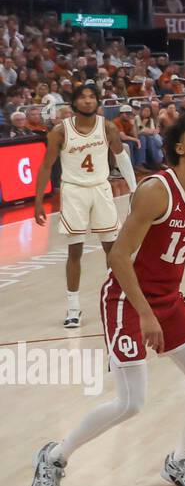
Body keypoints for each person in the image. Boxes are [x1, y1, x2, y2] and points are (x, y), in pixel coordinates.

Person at [31, 111, 185, 486]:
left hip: (170, 299)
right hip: (127, 300)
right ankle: (55, 456)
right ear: (179, 147)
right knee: (131, 402)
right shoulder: (156, 190)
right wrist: (144, 314)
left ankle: (179, 461)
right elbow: (120, 258)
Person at [32, 83, 137, 328]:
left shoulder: (107, 126)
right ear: (74, 103)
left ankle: (116, 298)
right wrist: (38, 200)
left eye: (92, 97)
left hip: (100, 189)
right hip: (74, 192)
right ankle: (73, 307)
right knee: (74, 251)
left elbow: (121, 156)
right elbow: (46, 165)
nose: (88, 101)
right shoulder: (60, 131)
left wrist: (134, 189)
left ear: (98, 102)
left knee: (112, 249)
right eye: (83, 97)